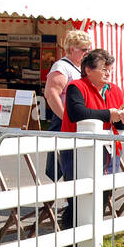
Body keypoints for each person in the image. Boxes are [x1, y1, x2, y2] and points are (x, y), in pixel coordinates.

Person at [58, 47, 124, 229]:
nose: (108, 73)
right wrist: (109, 114)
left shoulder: (115, 90)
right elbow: (78, 113)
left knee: (105, 192)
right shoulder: (76, 87)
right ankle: (71, 239)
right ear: (88, 70)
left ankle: (91, 234)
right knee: (78, 195)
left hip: (109, 149)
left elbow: (118, 124)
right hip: (78, 149)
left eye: (110, 69)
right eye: (104, 69)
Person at [43, 29, 92, 179]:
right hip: (65, 121)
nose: (88, 53)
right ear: (72, 49)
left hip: (77, 120)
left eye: (89, 49)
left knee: (78, 164)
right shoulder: (61, 67)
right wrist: (66, 118)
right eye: (84, 49)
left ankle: (72, 199)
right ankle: (69, 201)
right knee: (68, 165)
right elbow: (51, 95)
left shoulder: (78, 67)